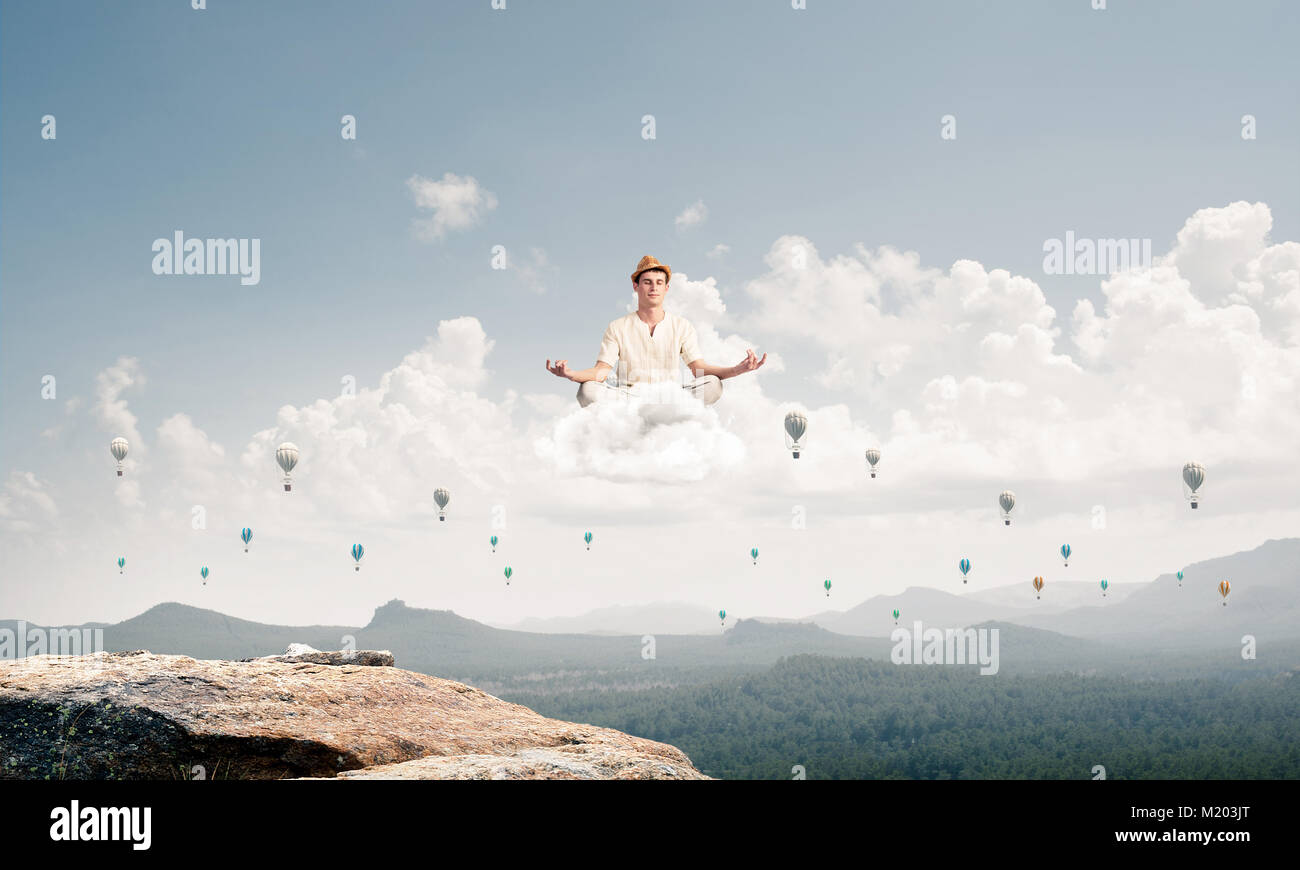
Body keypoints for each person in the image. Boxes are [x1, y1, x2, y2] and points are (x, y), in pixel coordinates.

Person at [546, 255, 766, 407]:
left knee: (713, 385)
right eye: (647, 282)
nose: (653, 287)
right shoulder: (617, 327)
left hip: (670, 397)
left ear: (666, 288)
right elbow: (601, 373)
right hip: (628, 397)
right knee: (587, 391)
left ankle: (668, 418)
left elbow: (698, 369)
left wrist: (737, 370)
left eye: (659, 282)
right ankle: (635, 422)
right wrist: (570, 374)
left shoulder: (682, 326)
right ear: (636, 286)